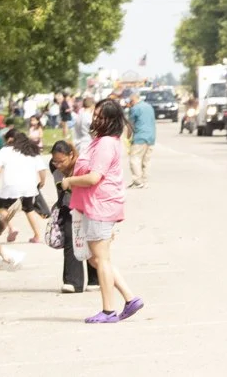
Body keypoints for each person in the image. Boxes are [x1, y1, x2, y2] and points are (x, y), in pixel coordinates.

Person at [61, 99, 143, 323]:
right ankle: (130, 298)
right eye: (95, 114)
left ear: (112, 120)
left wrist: (69, 181)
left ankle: (108, 311)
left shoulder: (107, 143)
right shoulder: (101, 141)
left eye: (101, 116)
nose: (96, 119)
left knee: (101, 259)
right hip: (95, 205)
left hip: (100, 206)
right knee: (96, 259)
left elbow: (94, 178)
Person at [50, 141, 98, 294]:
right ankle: (72, 281)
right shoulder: (53, 167)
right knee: (72, 239)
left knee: (91, 240)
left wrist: (71, 182)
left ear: (71, 155)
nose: (58, 165)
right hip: (68, 206)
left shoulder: (82, 165)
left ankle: (95, 280)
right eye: (54, 161)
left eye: (61, 161)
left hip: (87, 205)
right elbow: (60, 188)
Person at [0, 135, 49, 244]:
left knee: (2, 207)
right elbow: (42, 169)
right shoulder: (31, 150)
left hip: (11, 186)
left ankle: (12, 228)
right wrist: (42, 181)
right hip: (29, 186)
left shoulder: (5, 150)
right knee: (29, 209)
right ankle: (37, 235)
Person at [126, 92, 156, 189]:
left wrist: (128, 137)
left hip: (140, 137)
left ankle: (137, 181)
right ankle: (145, 181)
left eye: (130, 102)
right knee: (146, 161)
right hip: (151, 137)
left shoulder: (135, 109)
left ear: (133, 100)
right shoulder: (149, 107)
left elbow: (130, 124)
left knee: (134, 159)